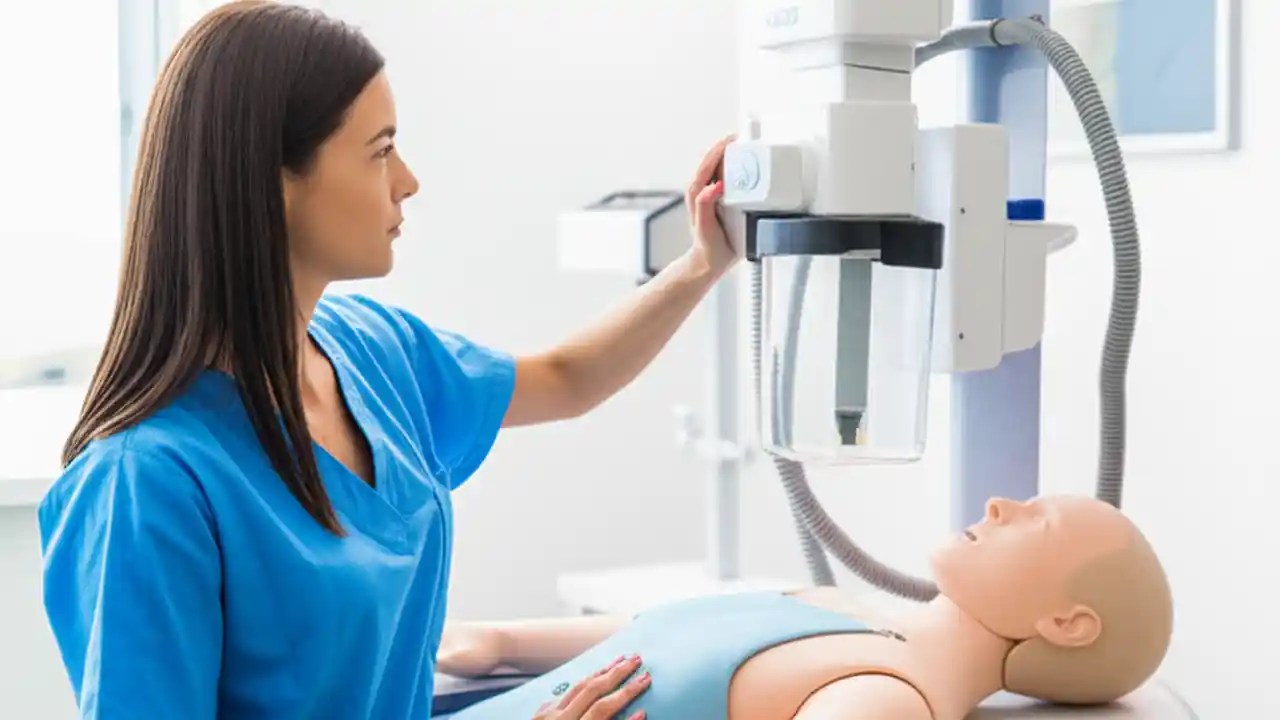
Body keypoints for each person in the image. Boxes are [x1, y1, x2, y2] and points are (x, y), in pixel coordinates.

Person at [36, 2, 737, 719]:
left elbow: (566, 379)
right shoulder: (145, 482)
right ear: (274, 179)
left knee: (767, 642)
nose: (408, 180)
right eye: (379, 150)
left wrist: (703, 264)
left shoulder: (369, 350)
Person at [436, 495, 1174, 720]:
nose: (999, 504)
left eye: (1036, 520)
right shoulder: (835, 606)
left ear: (1067, 624)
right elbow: (652, 635)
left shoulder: (883, 701)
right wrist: (496, 638)